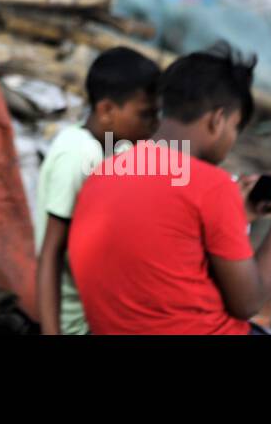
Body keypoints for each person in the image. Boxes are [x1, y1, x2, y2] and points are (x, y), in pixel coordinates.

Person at [67, 43, 271, 334]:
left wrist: (238, 216)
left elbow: (167, 253)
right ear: (217, 120)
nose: (231, 138)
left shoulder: (102, 174)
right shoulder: (211, 185)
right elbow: (248, 302)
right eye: (234, 128)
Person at [34, 47, 160, 335]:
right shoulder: (77, 155)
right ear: (106, 110)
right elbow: (51, 252)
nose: (154, 125)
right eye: (145, 115)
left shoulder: (120, 148)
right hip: (76, 323)